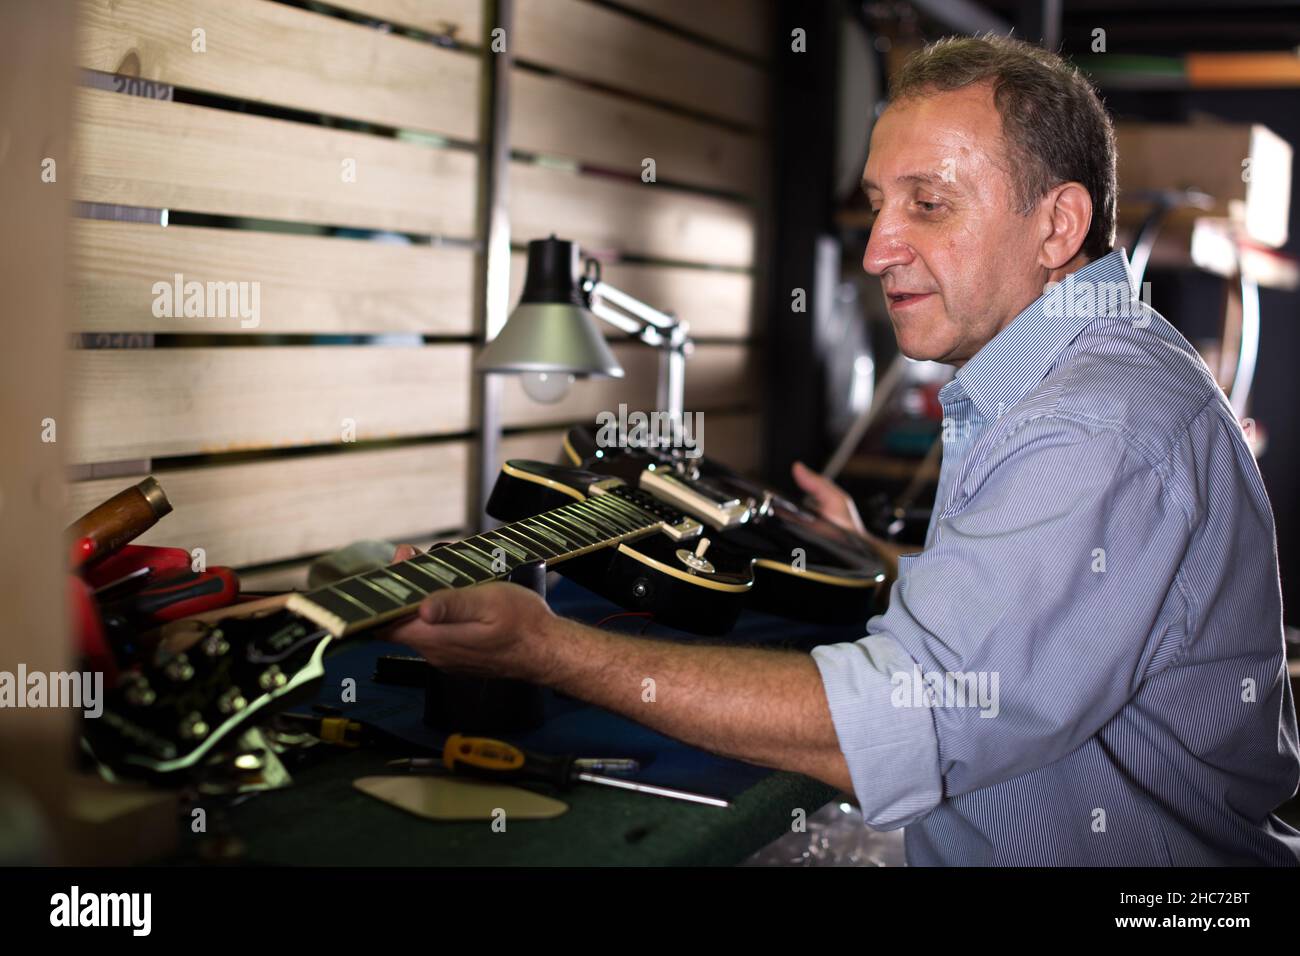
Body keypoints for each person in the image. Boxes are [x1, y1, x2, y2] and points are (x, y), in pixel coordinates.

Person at [390, 35, 1300, 865]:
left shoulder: (1094, 422)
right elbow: (1053, 611)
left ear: (1057, 226)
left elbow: (906, 721)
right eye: (876, 206)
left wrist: (550, 650)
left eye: (929, 205)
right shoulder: (1086, 362)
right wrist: (883, 558)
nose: (876, 250)